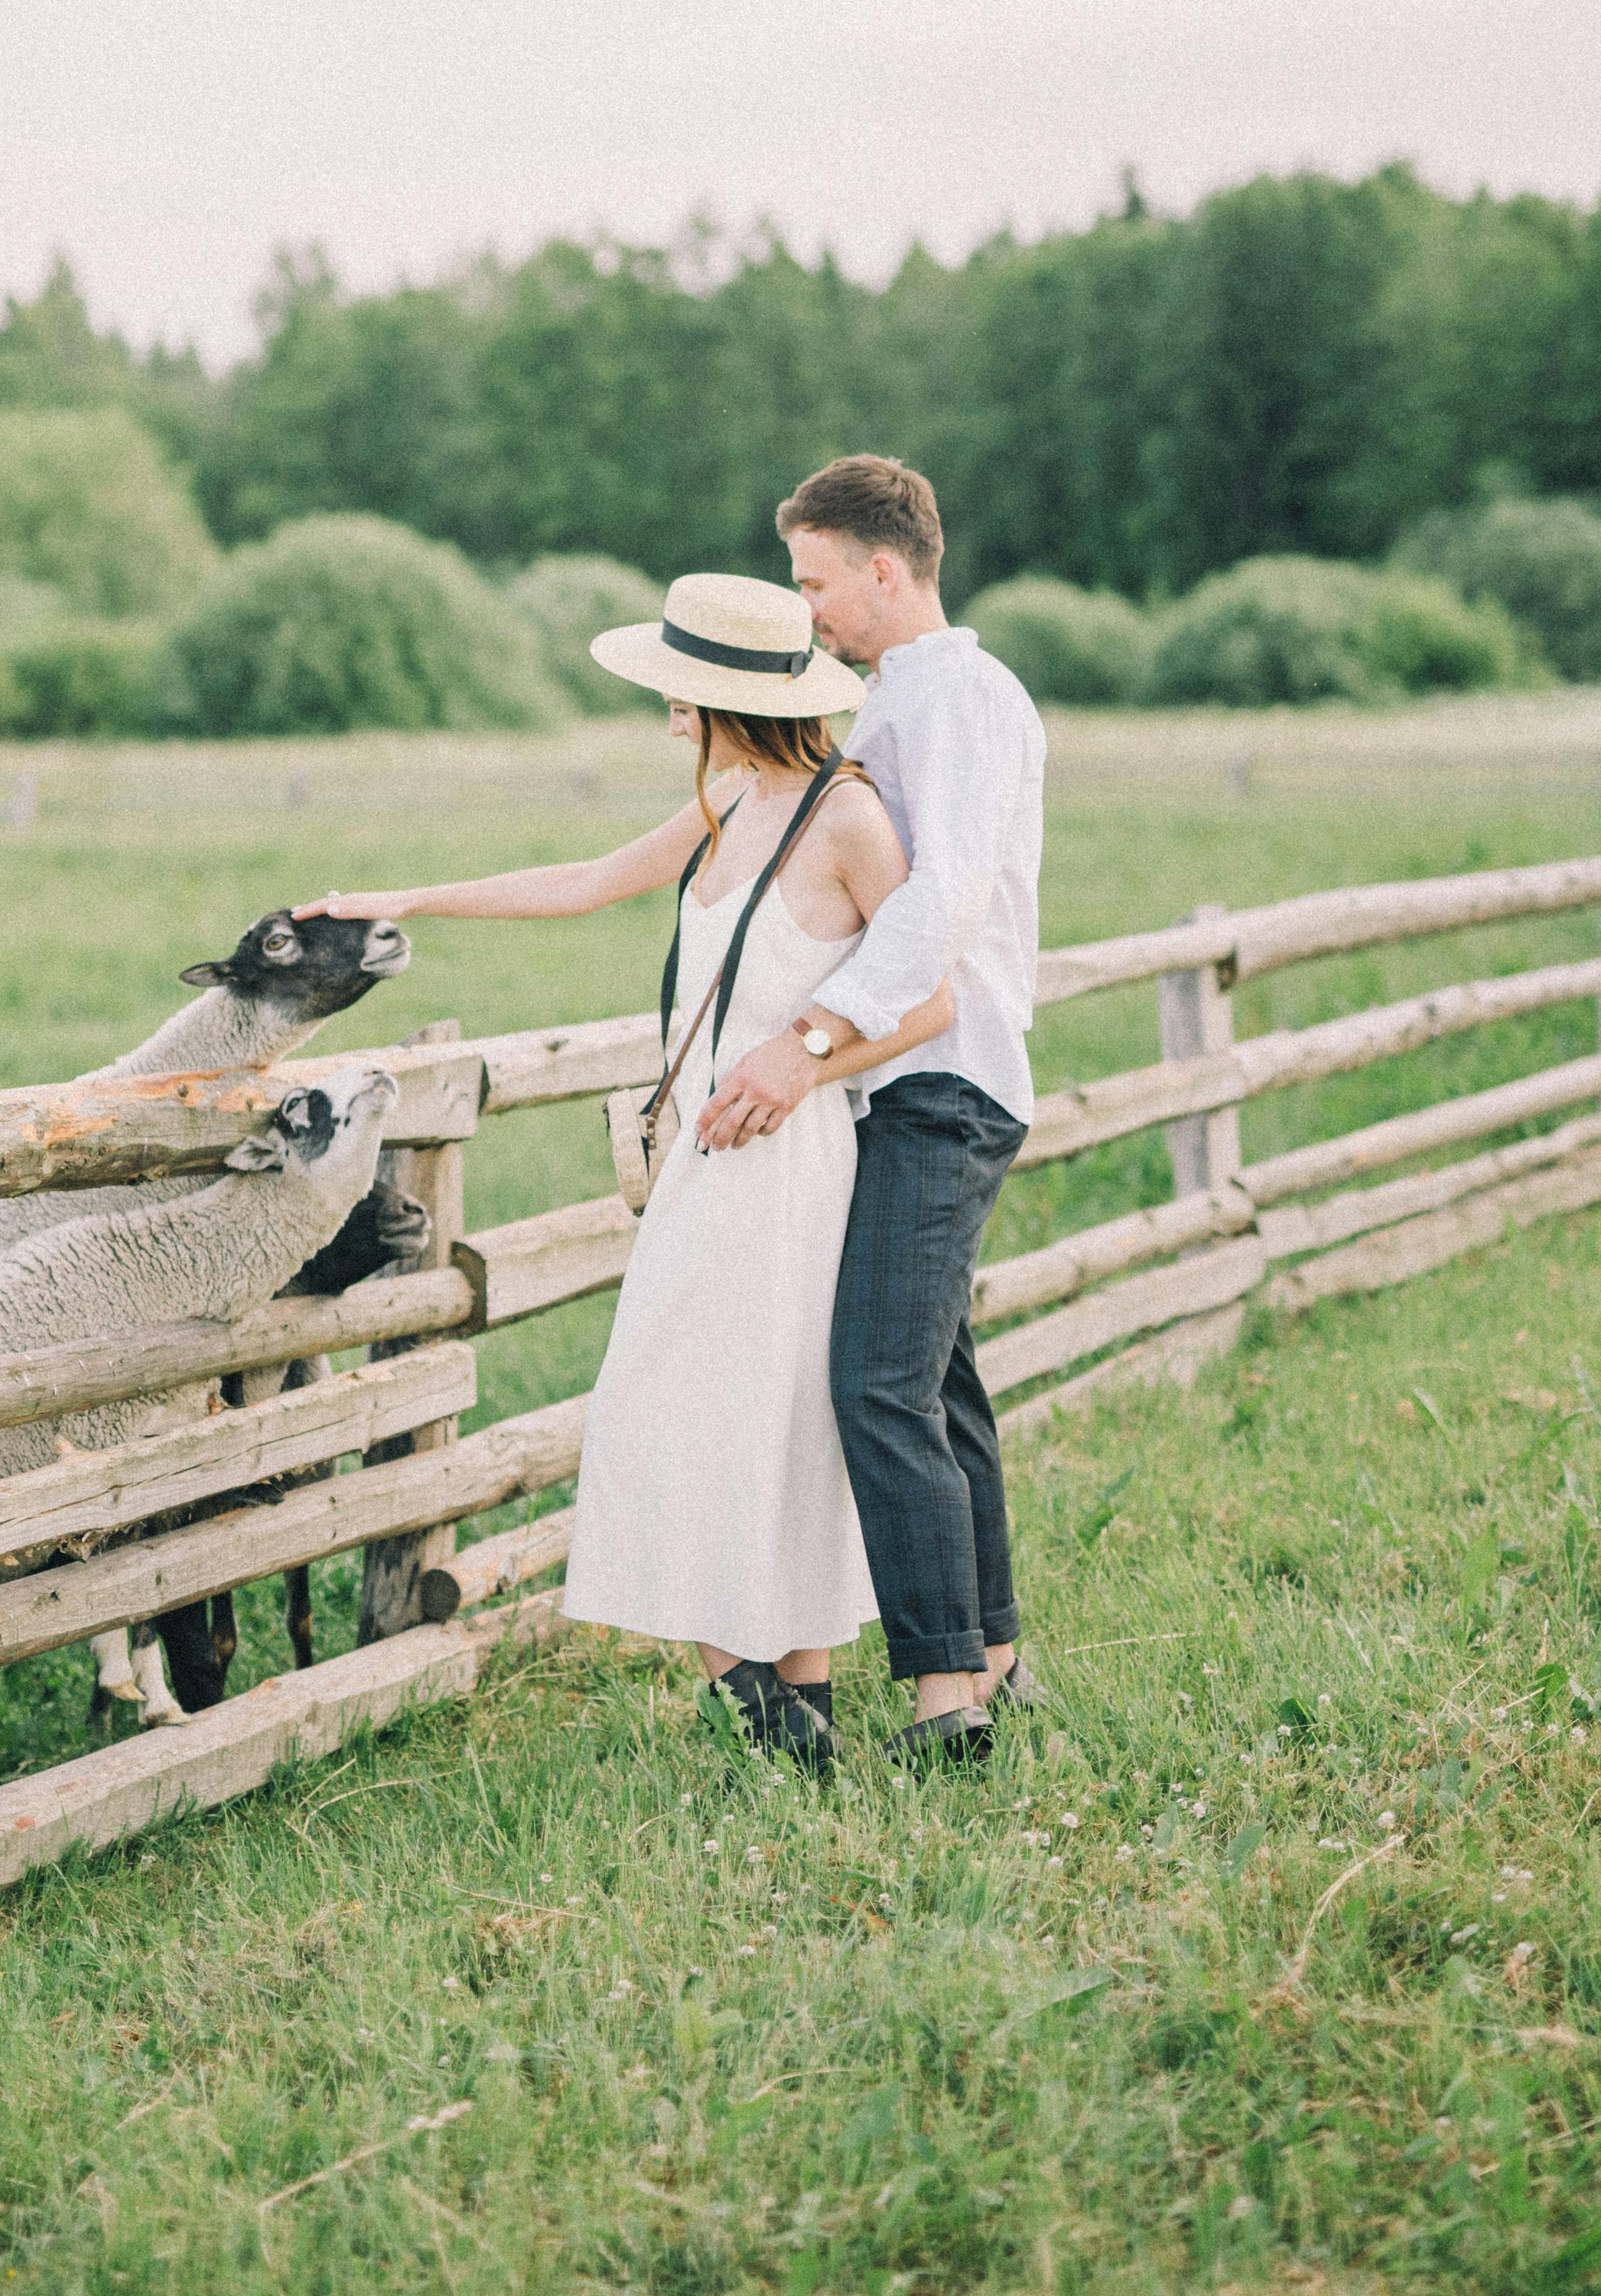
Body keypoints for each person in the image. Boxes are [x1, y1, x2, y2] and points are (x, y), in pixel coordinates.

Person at [293, 572, 956, 1769]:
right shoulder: (727, 799)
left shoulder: (845, 819)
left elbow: (932, 997)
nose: (663, 708)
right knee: (720, 1417)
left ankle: (765, 1700)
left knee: (729, 1418)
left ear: (720, 697)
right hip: (710, 1167)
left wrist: (802, 1063)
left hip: (793, 1168)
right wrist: (409, 899)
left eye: (675, 689)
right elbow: (586, 882)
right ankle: (789, 1717)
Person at [694, 456, 1045, 1766]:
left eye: (817, 582)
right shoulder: (895, 696)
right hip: (900, 1081)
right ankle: (993, 1662)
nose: (810, 610)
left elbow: (939, 900)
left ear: (885, 571)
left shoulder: (961, 700)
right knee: (939, 1382)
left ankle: (947, 1703)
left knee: (878, 1386)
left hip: (938, 1084)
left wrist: (810, 1040)